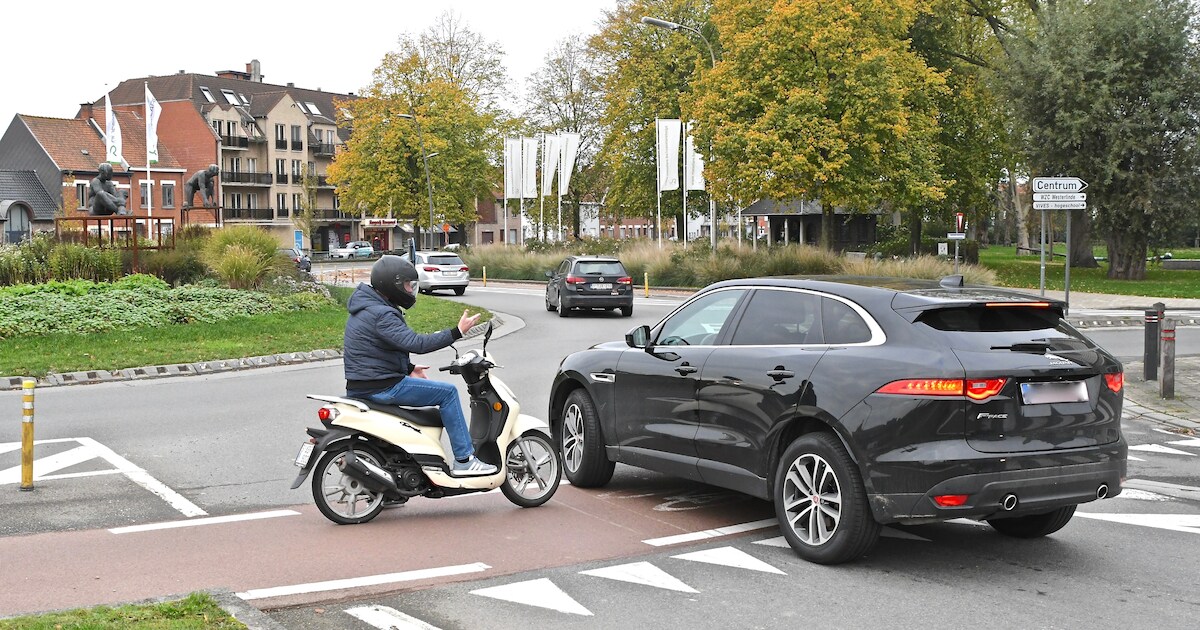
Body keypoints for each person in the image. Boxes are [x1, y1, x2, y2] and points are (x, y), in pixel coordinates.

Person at [343, 255, 495, 476]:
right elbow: (417, 343)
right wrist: (457, 332)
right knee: (448, 393)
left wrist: (408, 368)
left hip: (365, 383)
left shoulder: (367, 308)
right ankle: (465, 459)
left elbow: (377, 350)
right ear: (392, 284)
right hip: (381, 386)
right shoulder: (382, 314)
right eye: (407, 285)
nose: (409, 290)